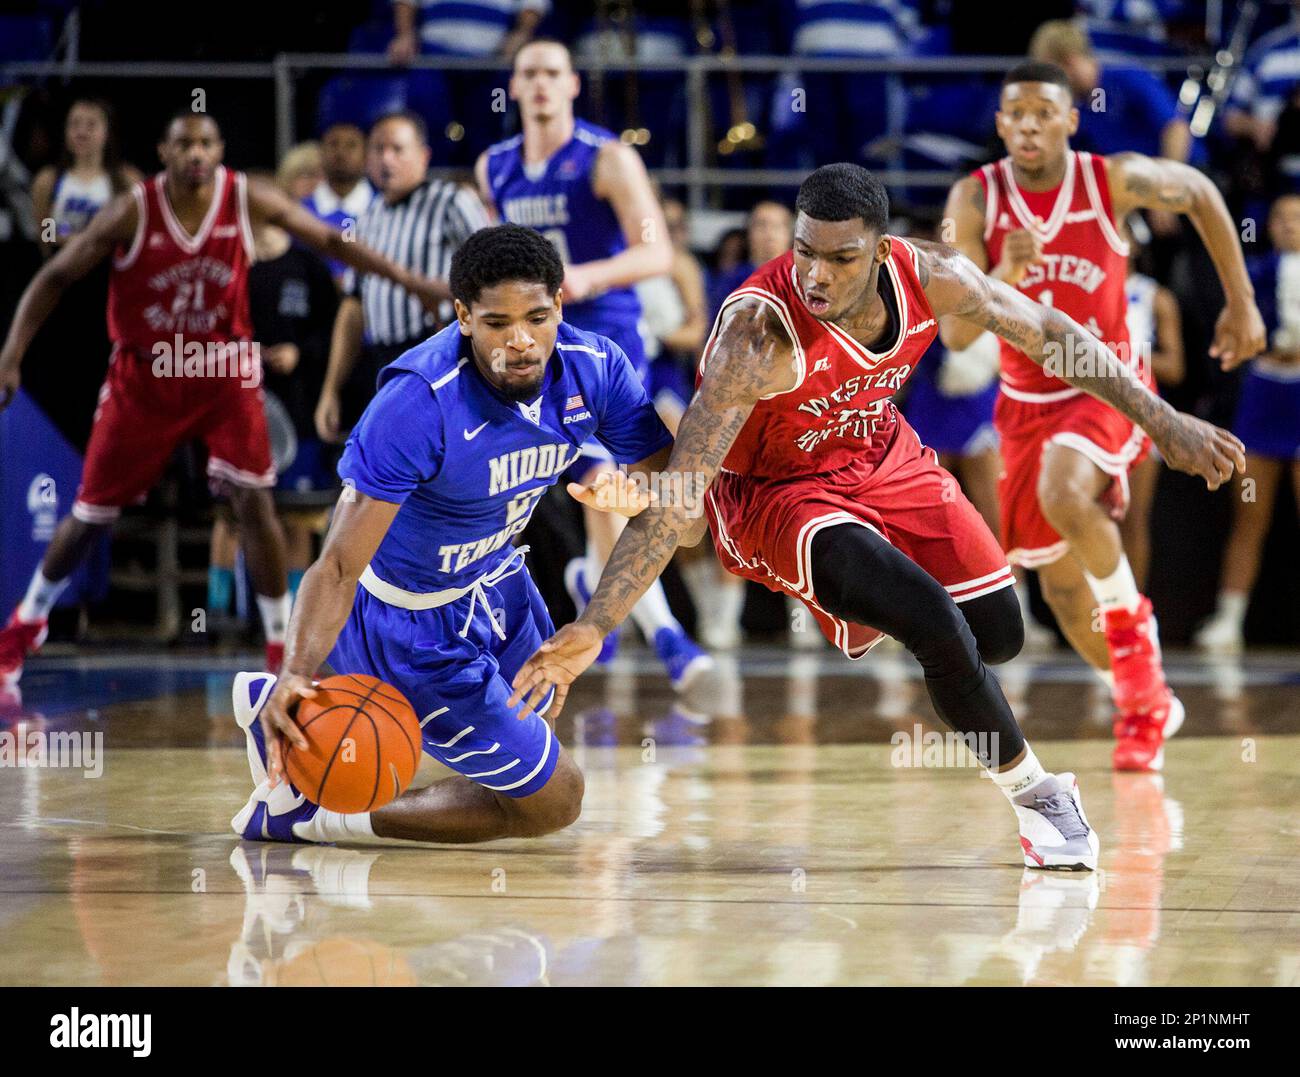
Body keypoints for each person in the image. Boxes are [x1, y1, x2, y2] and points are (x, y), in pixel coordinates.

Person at [508, 162, 1250, 870]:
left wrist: (1164, 421)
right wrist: (596, 624)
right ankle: (1038, 798)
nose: (816, 274)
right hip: (776, 492)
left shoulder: (934, 275)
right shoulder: (755, 339)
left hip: (882, 454)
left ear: (882, 249)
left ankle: (914, 631)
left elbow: (1052, 334)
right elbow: (683, 500)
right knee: (933, 621)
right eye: (805, 252)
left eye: (840, 257)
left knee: (1000, 633)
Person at [228, 224, 671, 845]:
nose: (520, 342)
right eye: (496, 323)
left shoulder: (596, 368)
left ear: (560, 306)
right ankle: (319, 814)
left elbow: (687, 522)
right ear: (463, 315)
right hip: (412, 620)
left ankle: (313, 729)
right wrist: (293, 666)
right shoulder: (417, 403)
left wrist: (638, 508)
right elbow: (335, 567)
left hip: (500, 582)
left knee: (538, 722)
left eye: (538, 317)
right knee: (557, 801)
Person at [0, 112, 446, 684]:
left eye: (207, 142)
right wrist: (11, 354)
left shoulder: (244, 198)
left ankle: (281, 643)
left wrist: (413, 283)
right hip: (146, 374)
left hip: (223, 372)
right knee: (90, 514)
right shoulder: (134, 208)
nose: (196, 153)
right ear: (163, 150)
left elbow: (332, 240)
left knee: (253, 499)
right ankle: (29, 619)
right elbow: (56, 275)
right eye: (184, 142)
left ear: (220, 151)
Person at [938, 62, 1265, 770]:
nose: (1028, 123)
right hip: (1024, 402)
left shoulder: (1109, 179)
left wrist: (1241, 302)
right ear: (999, 124)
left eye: (1042, 111)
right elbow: (959, 335)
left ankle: (1134, 632)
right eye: (1014, 112)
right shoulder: (973, 197)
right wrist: (1003, 279)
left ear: (1069, 119)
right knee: (1056, 589)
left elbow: (1203, 192)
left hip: (1108, 382)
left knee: (1063, 489)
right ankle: (1144, 699)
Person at [476, 38, 711, 688]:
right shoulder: (493, 166)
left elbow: (657, 252)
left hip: (606, 342)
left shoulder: (606, 157)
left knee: (615, 489)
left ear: (573, 85)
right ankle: (647, 626)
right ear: (515, 86)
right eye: (530, 73)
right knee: (596, 492)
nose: (543, 84)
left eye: (554, 73)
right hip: (535, 346)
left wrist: (584, 277)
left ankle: (618, 607)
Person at [315, 111, 489, 443]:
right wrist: (330, 389)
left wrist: (430, 291)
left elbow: (491, 281)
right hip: (382, 359)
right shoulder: (367, 217)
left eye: (397, 149)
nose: (386, 159)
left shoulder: (451, 202)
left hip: (442, 353)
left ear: (423, 156)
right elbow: (353, 308)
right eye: (378, 150)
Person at [1197, 193, 1300, 651]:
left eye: (1298, 218)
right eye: (1281, 218)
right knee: (1249, 515)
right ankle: (1229, 619)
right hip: (1264, 394)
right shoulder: (1253, 277)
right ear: (1270, 226)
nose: (1290, 226)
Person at [1120, 237, 1184, 589]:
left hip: (1140, 416)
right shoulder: (1078, 290)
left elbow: (1175, 367)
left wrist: (1119, 356)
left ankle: (1133, 614)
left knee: (1133, 517)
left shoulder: (1155, 296)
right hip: (1085, 413)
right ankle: (1092, 617)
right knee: (1085, 518)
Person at [30, 98, 142, 256]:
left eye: (91, 125)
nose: (81, 132)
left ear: (107, 132)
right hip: (63, 269)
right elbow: (45, 236)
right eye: (74, 124)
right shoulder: (48, 180)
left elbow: (135, 235)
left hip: (109, 268)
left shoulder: (128, 179)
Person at [301, 122, 375, 284]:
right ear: (321, 154)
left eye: (351, 146)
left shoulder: (383, 208)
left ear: (366, 156)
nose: (341, 153)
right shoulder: (299, 210)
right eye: (333, 144)